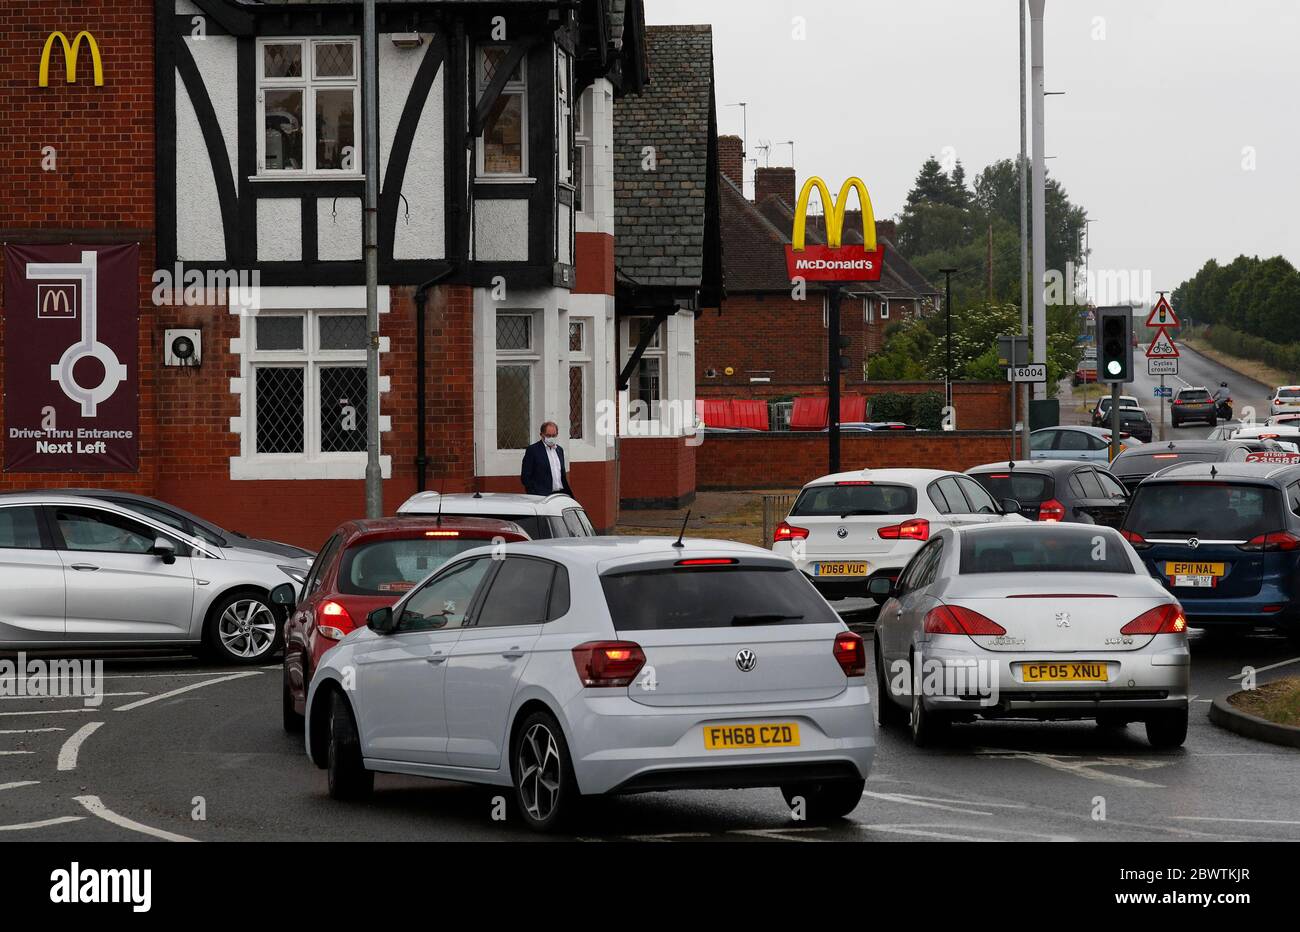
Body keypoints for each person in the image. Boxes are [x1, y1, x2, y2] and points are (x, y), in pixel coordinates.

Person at [520, 421, 573, 497]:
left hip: (560, 494)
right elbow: (525, 477)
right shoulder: (533, 450)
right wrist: (535, 492)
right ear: (542, 435)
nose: (551, 438)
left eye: (554, 435)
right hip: (542, 495)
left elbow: (562, 473)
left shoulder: (559, 450)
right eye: (548, 435)